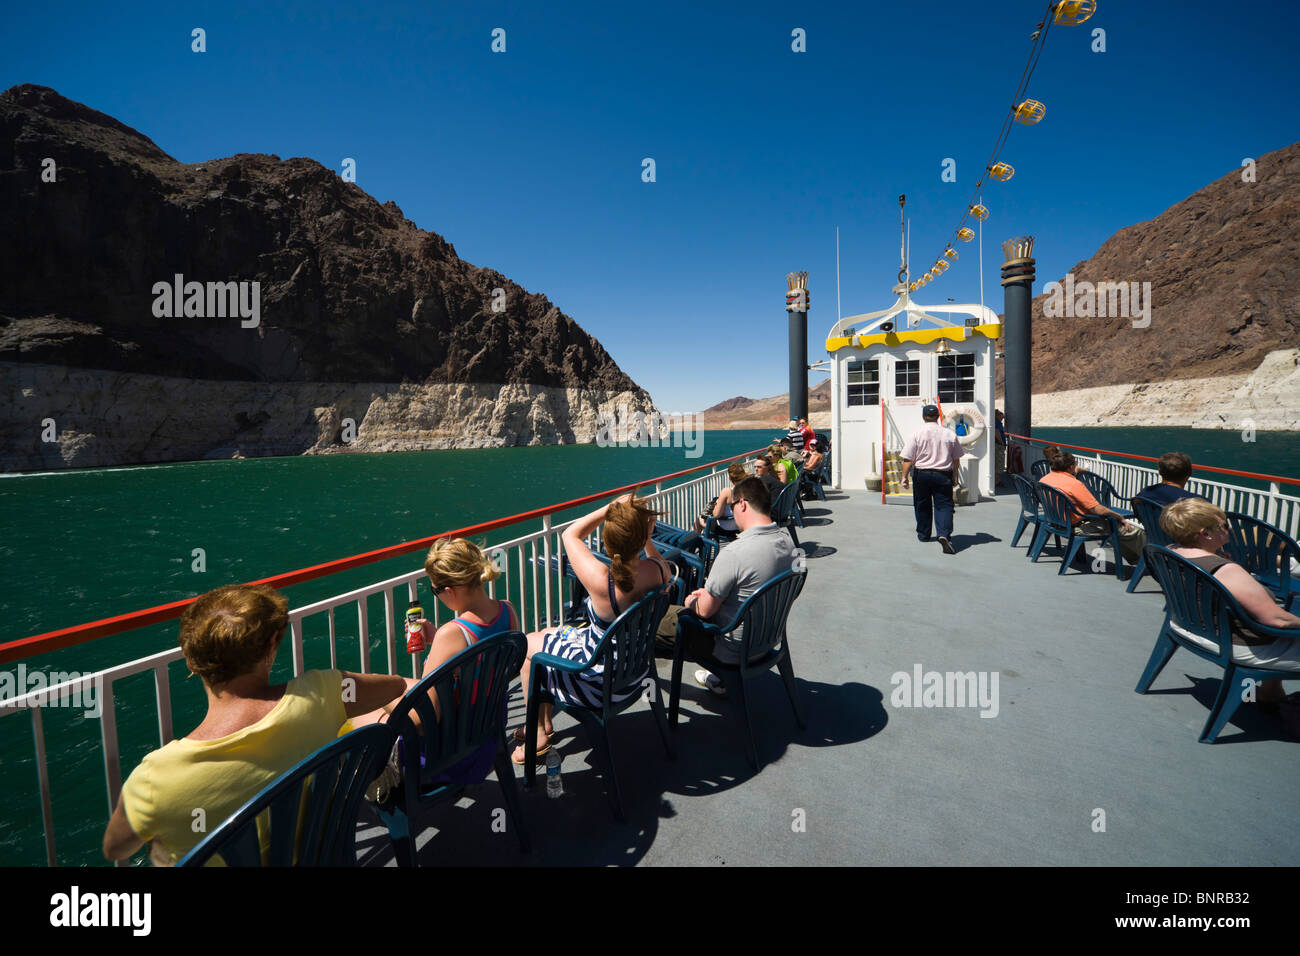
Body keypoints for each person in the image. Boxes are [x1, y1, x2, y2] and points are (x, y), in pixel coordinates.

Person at [102, 584, 408, 865]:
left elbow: (115, 849)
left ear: (191, 660)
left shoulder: (156, 778)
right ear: (273, 644)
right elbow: (395, 686)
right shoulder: (324, 693)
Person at [353, 537, 521, 800]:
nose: (438, 596)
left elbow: (419, 721)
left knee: (356, 720)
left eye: (435, 590)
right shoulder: (507, 612)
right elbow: (487, 664)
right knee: (399, 687)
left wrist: (381, 696)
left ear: (450, 590)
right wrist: (439, 639)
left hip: (446, 754)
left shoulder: (451, 636)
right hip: (486, 735)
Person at [514, 493, 671, 763]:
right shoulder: (658, 570)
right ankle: (545, 721)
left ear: (609, 542)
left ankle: (537, 731)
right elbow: (654, 558)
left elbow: (570, 535)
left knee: (528, 644)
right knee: (550, 632)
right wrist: (645, 537)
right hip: (634, 671)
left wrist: (607, 509)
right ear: (644, 533)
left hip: (596, 681)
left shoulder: (603, 582)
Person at [657, 477, 797, 694]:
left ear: (742, 504)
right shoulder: (789, 543)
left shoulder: (734, 553)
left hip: (731, 650)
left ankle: (624, 687)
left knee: (652, 621)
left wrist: (691, 600)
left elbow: (704, 611)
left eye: (732, 506)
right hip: (769, 640)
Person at [1162, 498, 1299, 712]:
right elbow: (1277, 620)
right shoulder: (1223, 569)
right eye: (1224, 526)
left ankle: (1270, 692)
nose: (1229, 529)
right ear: (1205, 534)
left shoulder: (1170, 551)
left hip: (1190, 627)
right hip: (1243, 645)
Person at [1040, 452, 1145, 565]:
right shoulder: (1073, 484)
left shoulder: (1044, 480)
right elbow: (1097, 509)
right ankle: (1152, 561)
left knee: (1112, 527)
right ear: (1071, 467)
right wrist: (1119, 517)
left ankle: (1136, 559)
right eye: (1075, 464)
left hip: (1055, 522)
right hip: (1076, 526)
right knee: (1129, 530)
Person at [899, 404, 965, 554]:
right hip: (943, 475)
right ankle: (944, 535)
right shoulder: (949, 434)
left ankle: (924, 534)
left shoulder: (916, 434)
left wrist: (904, 477)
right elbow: (956, 459)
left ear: (923, 417)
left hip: (922, 474)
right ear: (938, 417)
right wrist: (954, 476)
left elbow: (908, 459)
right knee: (945, 506)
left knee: (922, 504)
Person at [1136, 452, 1205, 508]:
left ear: (1159, 472)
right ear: (1190, 473)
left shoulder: (1145, 493)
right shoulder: (1199, 503)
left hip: (1151, 525)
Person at [695, 460, 747, 534]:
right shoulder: (747, 489)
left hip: (726, 529)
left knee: (699, 520)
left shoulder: (727, 491)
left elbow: (716, 515)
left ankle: (690, 543)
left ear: (729, 477)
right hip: (741, 527)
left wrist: (715, 506)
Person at [994, 410, 1008, 485]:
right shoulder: (997, 423)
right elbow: (996, 432)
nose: (1002, 414)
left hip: (998, 445)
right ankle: (996, 481)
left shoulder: (998, 422)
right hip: (998, 445)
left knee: (998, 463)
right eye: (1000, 413)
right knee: (999, 463)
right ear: (996, 416)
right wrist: (1001, 443)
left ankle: (997, 481)